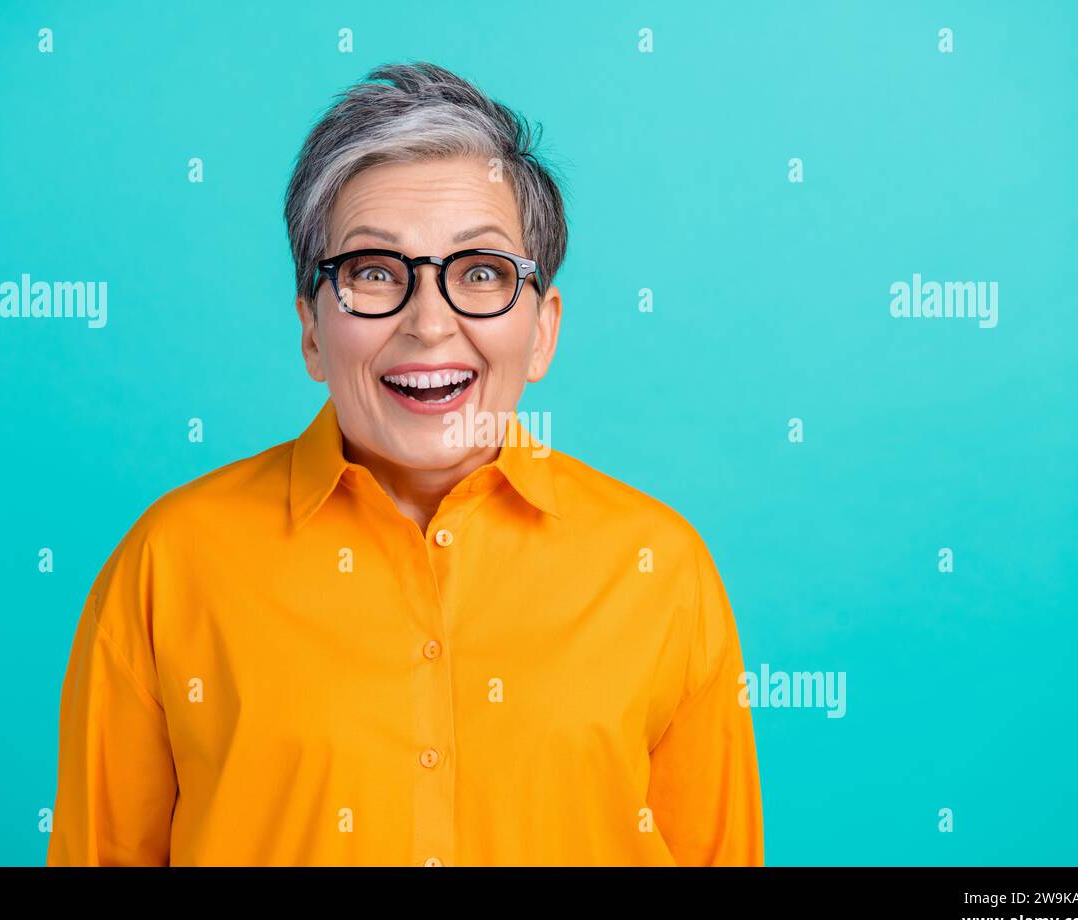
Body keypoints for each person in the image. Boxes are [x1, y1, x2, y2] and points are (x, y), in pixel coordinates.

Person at [47, 61, 763, 866]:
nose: (429, 324)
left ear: (544, 330)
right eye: (375, 273)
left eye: (482, 273)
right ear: (313, 330)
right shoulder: (169, 564)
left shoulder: (659, 570)